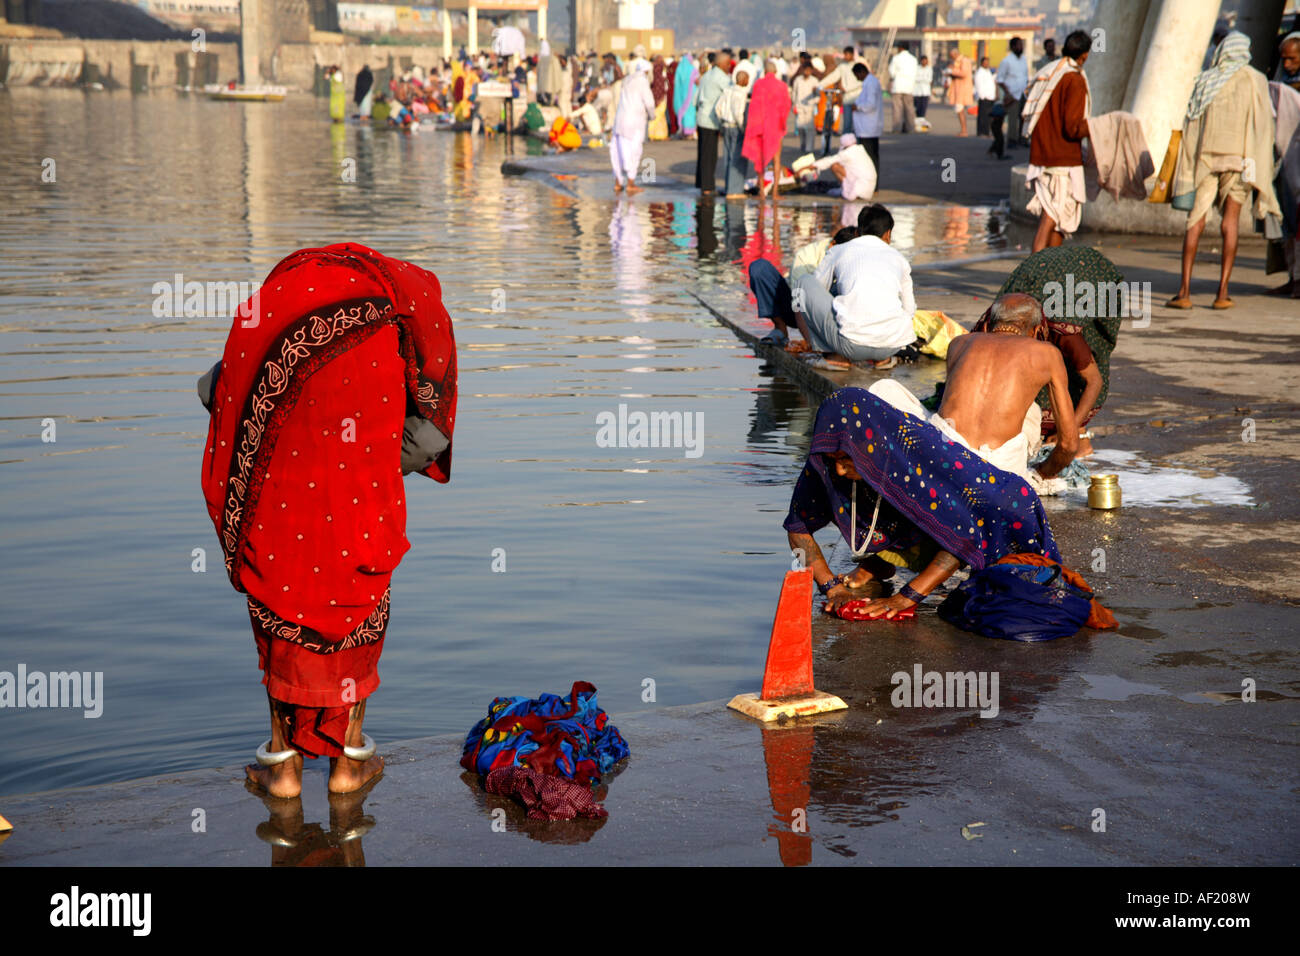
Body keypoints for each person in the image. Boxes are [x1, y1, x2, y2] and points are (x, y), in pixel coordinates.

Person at [199, 243, 458, 798]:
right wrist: (373, 464)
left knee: (278, 615)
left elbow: (214, 391)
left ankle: (285, 769)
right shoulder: (392, 323)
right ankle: (347, 766)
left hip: (278, 508)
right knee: (356, 613)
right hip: (359, 510)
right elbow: (431, 436)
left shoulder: (270, 314)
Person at [783, 293, 1076, 620]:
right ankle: (883, 560)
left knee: (887, 394)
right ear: (1036, 331)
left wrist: (906, 598)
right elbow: (1068, 447)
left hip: (949, 451)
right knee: (1030, 413)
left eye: (845, 458)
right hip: (981, 463)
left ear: (990, 324)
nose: (838, 467)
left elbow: (962, 535)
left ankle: (882, 561)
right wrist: (1040, 473)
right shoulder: (1047, 353)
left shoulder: (960, 343)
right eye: (836, 457)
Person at [1168, 31, 1281, 309]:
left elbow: (1192, 123)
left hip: (1206, 161)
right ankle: (1222, 293)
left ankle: (1184, 292)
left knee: (1195, 222)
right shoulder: (1255, 80)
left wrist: (1188, 168)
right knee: (1230, 224)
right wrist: (1260, 165)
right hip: (1241, 161)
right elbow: (1264, 126)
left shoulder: (1207, 79)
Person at [981, 246, 1125, 457]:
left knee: (1073, 377)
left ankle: (1079, 436)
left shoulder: (1064, 330)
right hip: (1037, 273)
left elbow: (1095, 382)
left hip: (1089, 275)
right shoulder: (991, 326)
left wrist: (1069, 431)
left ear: (1037, 329)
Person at [792, 204, 915, 370]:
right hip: (891, 346)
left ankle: (836, 357)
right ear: (888, 234)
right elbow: (909, 310)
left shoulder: (839, 250)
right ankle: (882, 361)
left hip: (850, 346)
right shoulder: (900, 259)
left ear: (858, 230)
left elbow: (817, 289)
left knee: (803, 282)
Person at [1023, 30, 1093, 252]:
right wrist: (1098, 128)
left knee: (1057, 222)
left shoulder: (1050, 72)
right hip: (1062, 160)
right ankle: (1034, 275)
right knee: (1051, 217)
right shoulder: (1074, 80)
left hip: (1043, 156)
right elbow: (1073, 128)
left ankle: (1050, 276)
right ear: (1084, 55)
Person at [749, 226, 858, 346]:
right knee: (759, 269)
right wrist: (811, 344)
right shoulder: (806, 256)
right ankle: (780, 328)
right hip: (797, 310)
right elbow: (798, 303)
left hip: (835, 314)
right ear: (832, 245)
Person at [744, 60, 792, 199]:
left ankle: (762, 193)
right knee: (776, 160)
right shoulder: (782, 86)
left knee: (760, 160)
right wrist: (782, 124)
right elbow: (786, 106)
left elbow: (753, 106)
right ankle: (775, 192)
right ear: (775, 72)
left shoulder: (758, 85)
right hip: (776, 128)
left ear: (765, 72)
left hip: (761, 127)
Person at [610, 59, 655, 193]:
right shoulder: (642, 82)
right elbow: (649, 102)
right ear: (647, 71)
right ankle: (630, 184)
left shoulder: (628, 80)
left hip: (620, 120)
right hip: (634, 122)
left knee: (617, 153)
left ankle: (618, 183)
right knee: (633, 152)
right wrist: (652, 115)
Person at [695, 51, 732, 195]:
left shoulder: (707, 75)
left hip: (702, 117)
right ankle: (708, 187)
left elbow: (697, 97)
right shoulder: (721, 77)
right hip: (711, 120)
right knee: (710, 155)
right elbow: (730, 93)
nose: (729, 67)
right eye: (728, 64)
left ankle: (702, 183)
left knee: (703, 152)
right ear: (722, 64)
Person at [804, 131, 877, 201]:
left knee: (834, 166)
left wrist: (803, 169)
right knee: (842, 166)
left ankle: (846, 190)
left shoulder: (847, 153)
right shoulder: (860, 149)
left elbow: (827, 162)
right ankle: (847, 188)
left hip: (860, 190)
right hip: (869, 190)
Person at [716, 61, 753, 198]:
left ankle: (728, 187)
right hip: (735, 128)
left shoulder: (728, 90)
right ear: (744, 81)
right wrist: (742, 127)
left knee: (728, 158)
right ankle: (734, 191)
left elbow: (718, 109)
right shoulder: (741, 94)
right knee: (737, 160)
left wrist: (721, 122)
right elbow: (738, 113)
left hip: (725, 126)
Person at [996, 37, 1029, 146]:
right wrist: (1007, 92)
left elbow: (1025, 76)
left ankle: (1023, 138)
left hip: (1023, 93)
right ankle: (1011, 140)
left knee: (1024, 117)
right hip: (1013, 94)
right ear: (1013, 47)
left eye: (1022, 45)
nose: (1021, 47)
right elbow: (999, 79)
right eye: (1019, 45)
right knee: (1013, 118)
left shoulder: (1024, 59)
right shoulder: (1006, 61)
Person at [852, 63, 884, 175]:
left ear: (861, 72)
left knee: (869, 158)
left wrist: (858, 107)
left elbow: (870, 104)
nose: (858, 79)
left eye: (857, 76)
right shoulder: (870, 82)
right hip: (868, 127)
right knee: (871, 157)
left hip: (868, 128)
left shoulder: (870, 83)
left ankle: (872, 184)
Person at [888, 41, 918, 133]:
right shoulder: (913, 59)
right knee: (909, 108)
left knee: (897, 108)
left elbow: (892, 73)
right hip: (909, 87)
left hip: (898, 86)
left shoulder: (896, 58)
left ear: (901, 48)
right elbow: (915, 73)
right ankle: (911, 128)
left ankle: (897, 128)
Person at [945, 47, 974, 137]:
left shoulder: (964, 60)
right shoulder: (958, 61)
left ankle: (964, 130)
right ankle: (963, 130)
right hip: (958, 88)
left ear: (955, 54)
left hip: (963, 89)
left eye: (952, 56)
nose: (951, 58)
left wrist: (952, 71)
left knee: (960, 109)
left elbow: (964, 73)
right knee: (959, 109)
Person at [792, 61, 820, 155]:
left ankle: (809, 148)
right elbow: (794, 93)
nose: (807, 72)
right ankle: (803, 144)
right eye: (805, 70)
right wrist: (794, 104)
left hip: (810, 107)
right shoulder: (798, 80)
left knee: (810, 128)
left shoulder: (814, 81)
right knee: (800, 127)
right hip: (800, 106)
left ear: (811, 71)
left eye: (809, 70)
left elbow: (818, 95)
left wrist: (815, 102)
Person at [673, 53, 699, 138]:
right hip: (691, 94)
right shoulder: (692, 69)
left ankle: (684, 131)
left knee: (683, 112)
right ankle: (690, 132)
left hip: (680, 95)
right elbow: (697, 81)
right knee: (690, 112)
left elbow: (676, 83)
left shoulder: (679, 69)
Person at [975, 55, 997, 137]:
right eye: (985, 62)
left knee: (988, 116)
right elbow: (979, 85)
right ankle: (981, 132)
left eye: (988, 62)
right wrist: (982, 96)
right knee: (982, 116)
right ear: (982, 63)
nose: (987, 64)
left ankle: (986, 131)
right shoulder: (980, 73)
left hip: (990, 97)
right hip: (984, 97)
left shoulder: (988, 72)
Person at [913, 55, 933, 127]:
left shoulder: (929, 69)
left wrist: (921, 79)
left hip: (925, 91)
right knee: (917, 106)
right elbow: (915, 78)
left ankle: (922, 120)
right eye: (923, 60)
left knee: (923, 106)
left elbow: (929, 80)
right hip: (917, 91)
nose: (924, 62)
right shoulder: (917, 68)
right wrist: (923, 79)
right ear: (921, 61)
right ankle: (918, 119)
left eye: (925, 60)